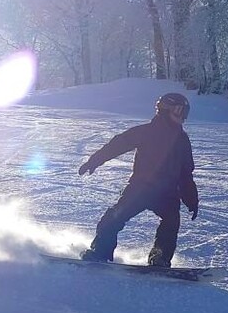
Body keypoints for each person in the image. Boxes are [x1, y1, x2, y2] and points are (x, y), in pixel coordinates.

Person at [76, 92, 199, 267]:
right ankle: (100, 251)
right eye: (179, 111)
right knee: (115, 216)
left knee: (171, 223)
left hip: (168, 193)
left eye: (185, 112)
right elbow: (117, 145)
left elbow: (186, 173)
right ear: (165, 110)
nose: (183, 117)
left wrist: (191, 199)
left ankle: (160, 258)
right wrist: (95, 160)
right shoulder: (147, 132)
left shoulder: (182, 140)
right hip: (141, 188)